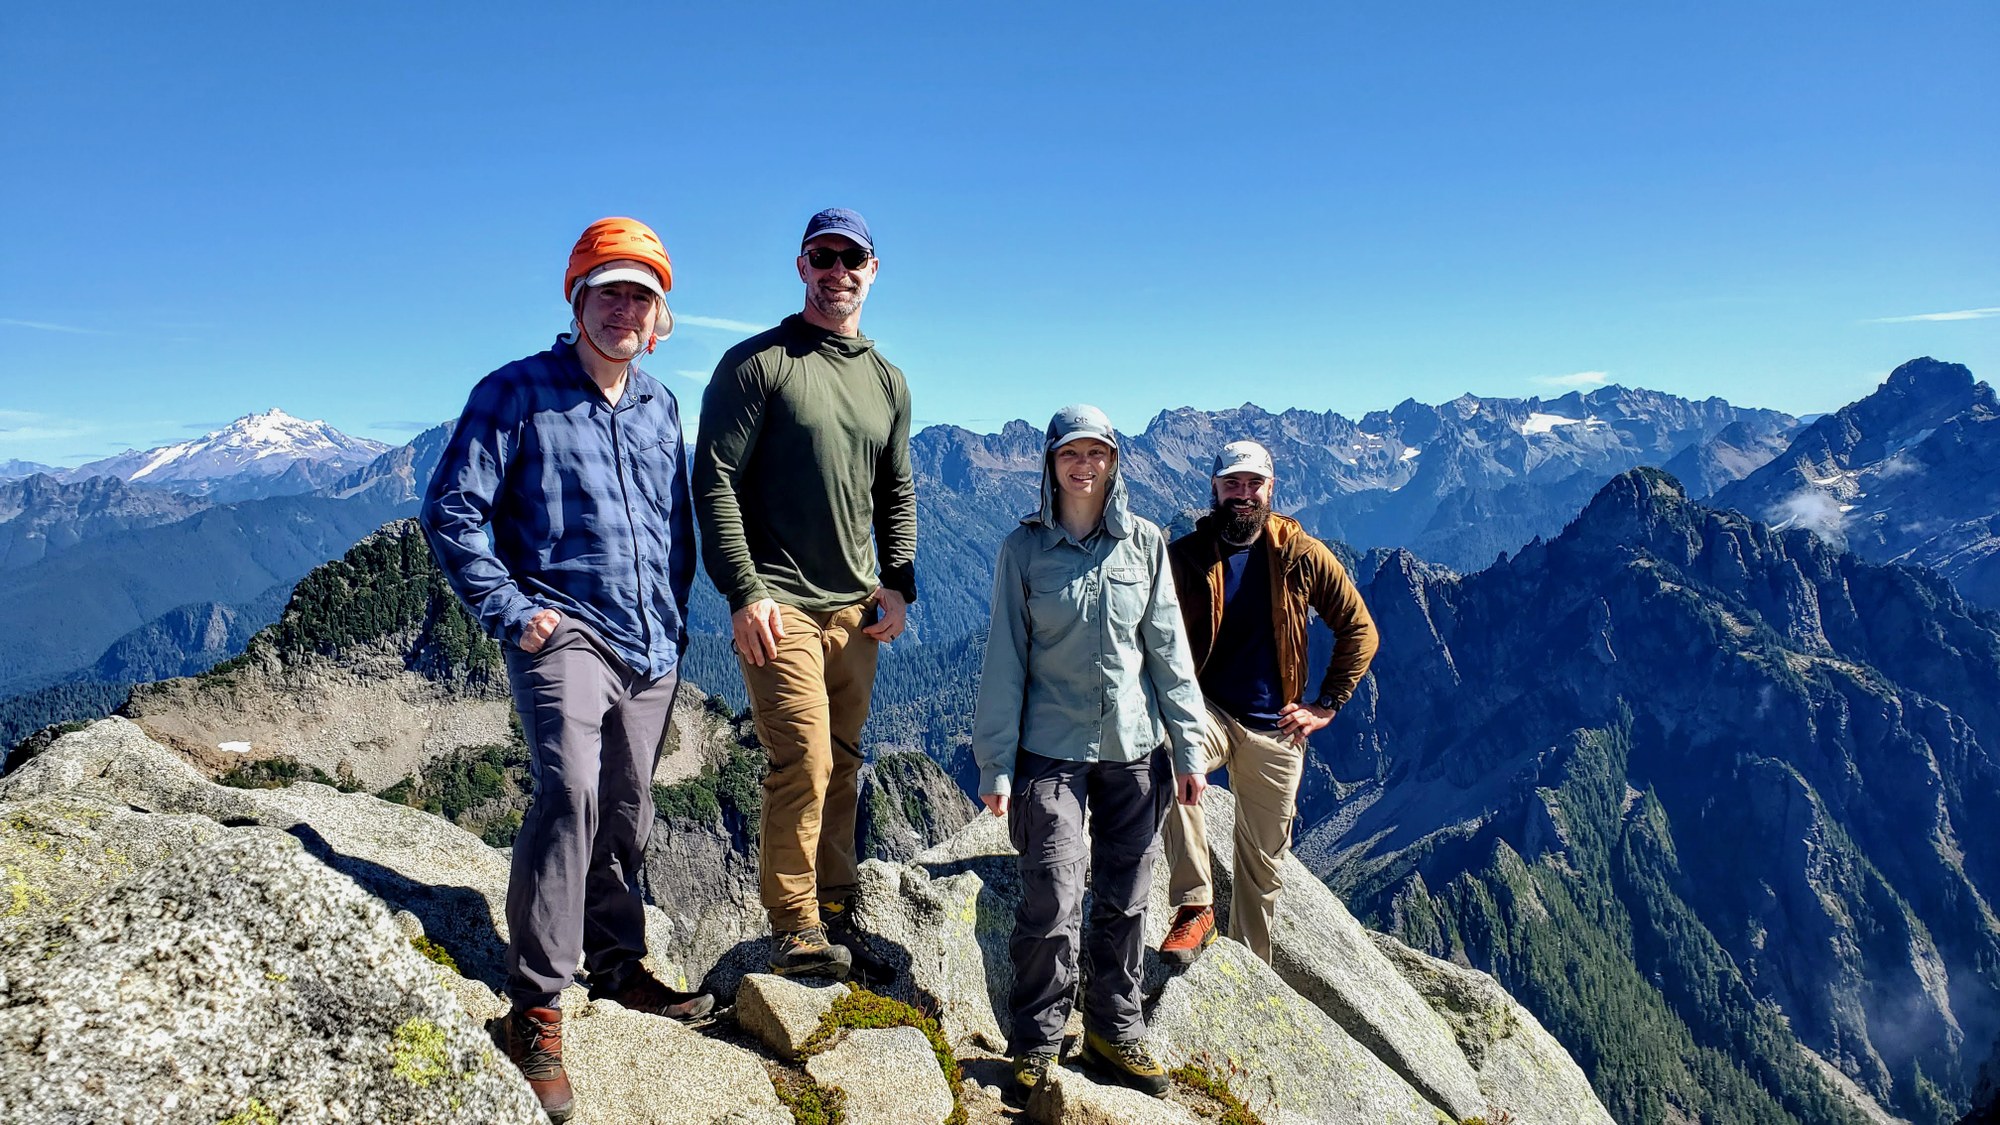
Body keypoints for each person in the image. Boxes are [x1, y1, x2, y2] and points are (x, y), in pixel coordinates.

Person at [421, 217, 712, 1123]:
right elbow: (451, 509)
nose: (626, 309)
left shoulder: (661, 405)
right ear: (576, 299)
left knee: (627, 804)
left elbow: (674, 525)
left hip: (651, 642)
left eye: (641, 296)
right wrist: (513, 612)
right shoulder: (515, 393)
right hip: (565, 630)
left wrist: (675, 621)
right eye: (609, 291)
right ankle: (537, 1008)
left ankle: (617, 964)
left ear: (659, 317)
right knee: (572, 791)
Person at [692, 207, 917, 980]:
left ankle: (836, 902)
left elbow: (897, 490)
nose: (838, 271)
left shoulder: (888, 381)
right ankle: (794, 923)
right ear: (801, 266)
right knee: (806, 759)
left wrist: (900, 584)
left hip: (856, 609)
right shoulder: (758, 364)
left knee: (845, 758)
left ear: (872, 270)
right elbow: (714, 480)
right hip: (778, 602)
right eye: (824, 257)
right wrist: (743, 591)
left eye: (852, 258)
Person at [970, 404, 1210, 1098]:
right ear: (1051, 463)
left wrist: (1189, 749)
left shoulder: (1145, 543)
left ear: (1113, 462)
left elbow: (1168, 651)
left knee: (1127, 899)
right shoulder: (1023, 550)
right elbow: (1005, 660)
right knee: (1053, 890)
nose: (1084, 465)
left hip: (1135, 747)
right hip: (1049, 747)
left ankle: (1114, 1029)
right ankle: (1036, 1042)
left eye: (1096, 453)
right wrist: (996, 764)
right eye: (1070, 453)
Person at [1158, 440, 1379, 968]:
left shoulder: (1302, 555)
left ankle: (1248, 974)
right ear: (1214, 489)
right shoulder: (1185, 557)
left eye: (1253, 484)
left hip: (1277, 727)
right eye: (1232, 483)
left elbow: (1359, 630)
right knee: (1164, 757)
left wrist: (1326, 705)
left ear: (1270, 489)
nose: (1243, 494)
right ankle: (1195, 906)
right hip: (1208, 710)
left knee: (1262, 870)